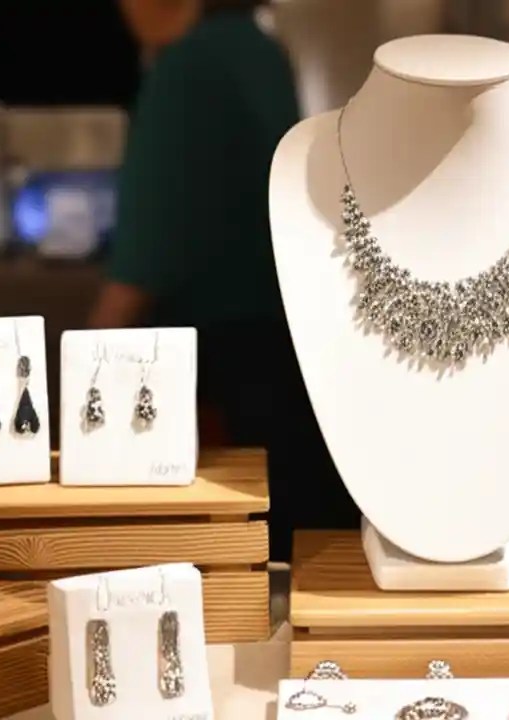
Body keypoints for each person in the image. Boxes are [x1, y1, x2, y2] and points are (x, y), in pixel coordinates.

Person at [92, 0, 353, 558]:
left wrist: (79, 381)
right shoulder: (259, 48)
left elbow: (144, 258)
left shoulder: (186, 67)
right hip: (295, 350)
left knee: (247, 565)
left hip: (227, 370)